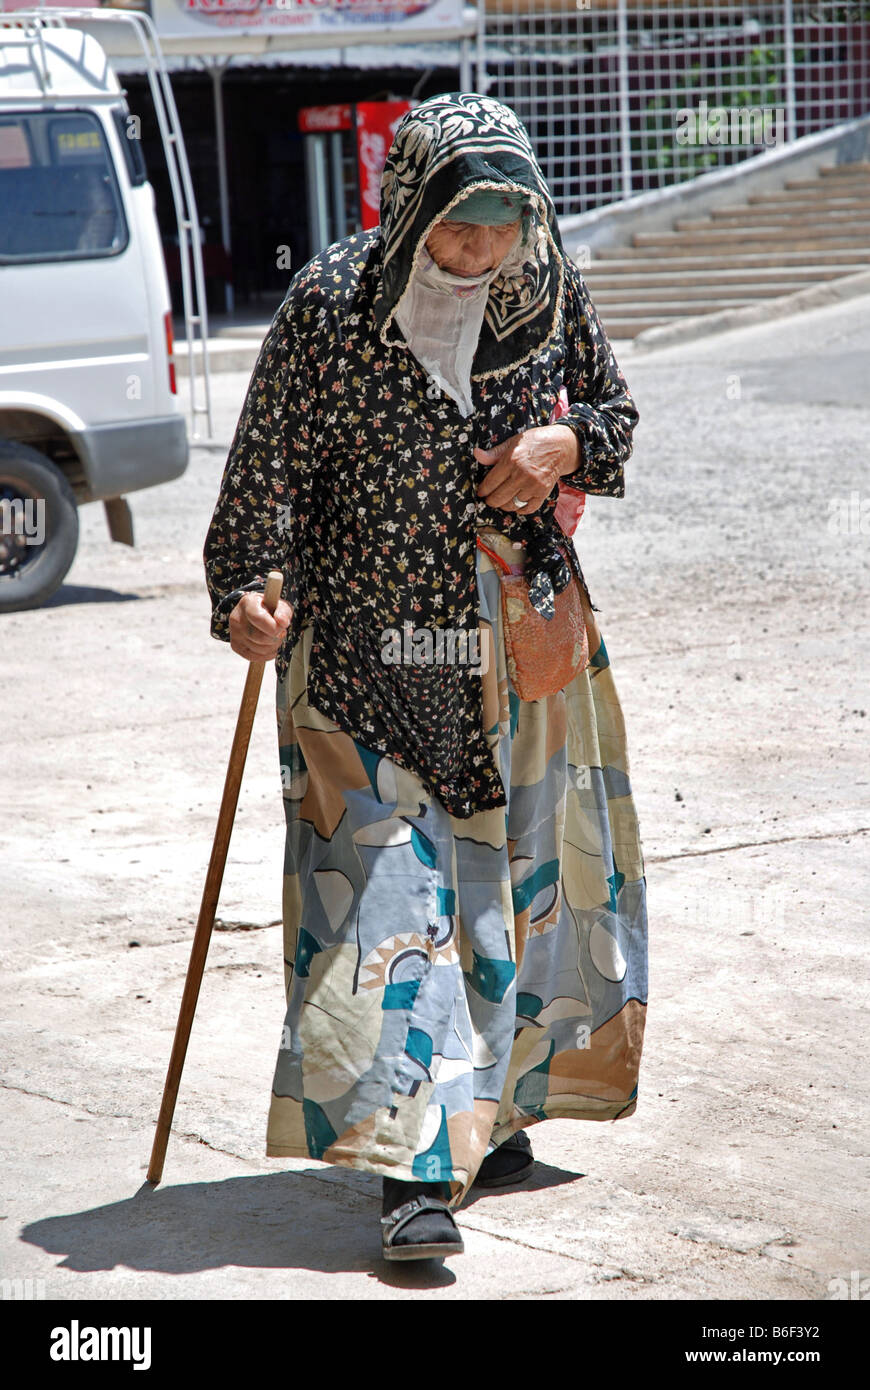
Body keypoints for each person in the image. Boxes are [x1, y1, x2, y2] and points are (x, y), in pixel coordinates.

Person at [204, 92, 648, 1263]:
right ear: (409, 209)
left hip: (516, 649)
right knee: (382, 905)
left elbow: (613, 416)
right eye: (462, 227)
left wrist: (565, 444)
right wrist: (248, 596)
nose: (485, 251)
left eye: (506, 226)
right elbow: (261, 490)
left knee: (511, 889)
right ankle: (412, 1168)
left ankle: (484, 1115)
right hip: (364, 658)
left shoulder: (545, 289)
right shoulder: (331, 307)